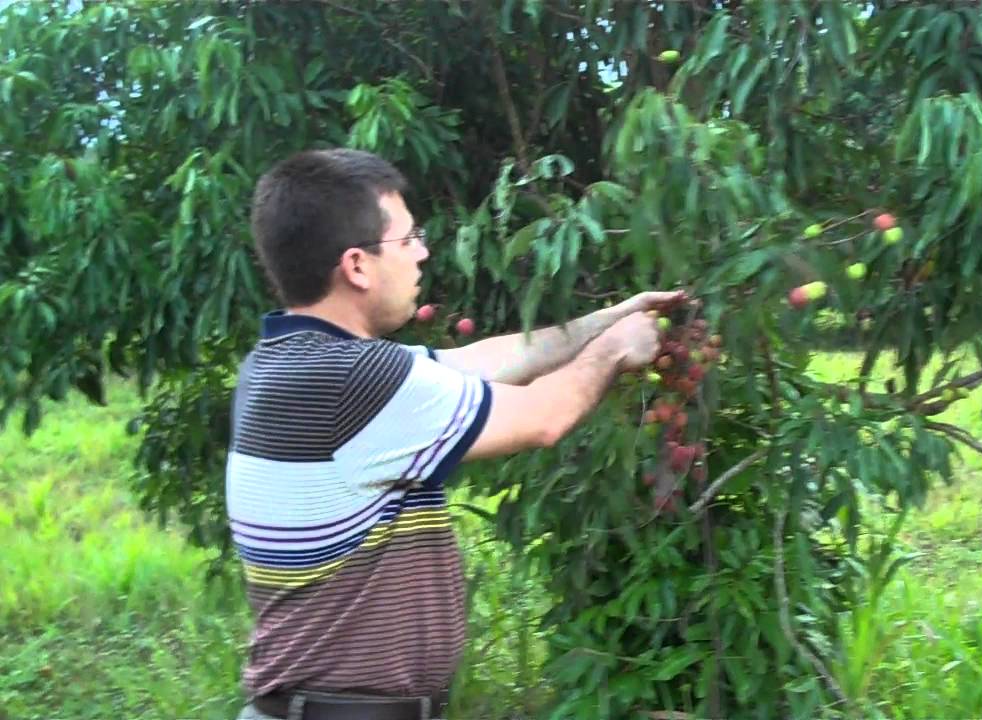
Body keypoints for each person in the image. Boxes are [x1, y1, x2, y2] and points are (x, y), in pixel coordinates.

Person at [228, 148, 683, 720]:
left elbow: (479, 360)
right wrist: (616, 351)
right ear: (357, 265)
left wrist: (610, 318)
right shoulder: (354, 379)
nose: (422, 253)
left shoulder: (288, 361)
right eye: (408, 238)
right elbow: (546, 417)